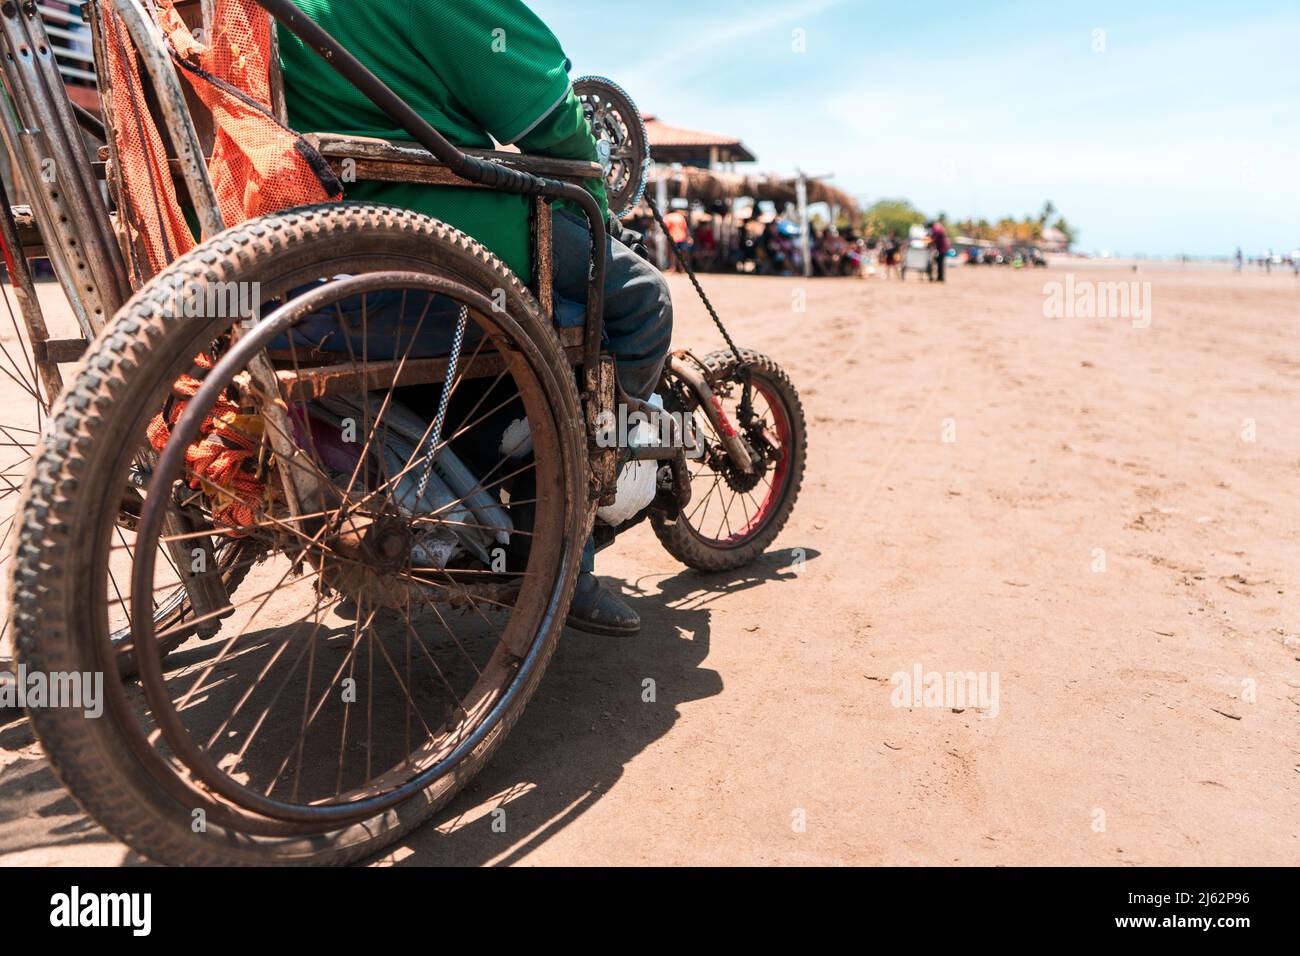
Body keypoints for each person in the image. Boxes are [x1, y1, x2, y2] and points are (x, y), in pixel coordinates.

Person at [280, 0, 672, 635]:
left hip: (315, 252)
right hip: (431, 229)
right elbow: (549, 115)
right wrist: (599, 206)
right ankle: (579, 525)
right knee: (640, 299)